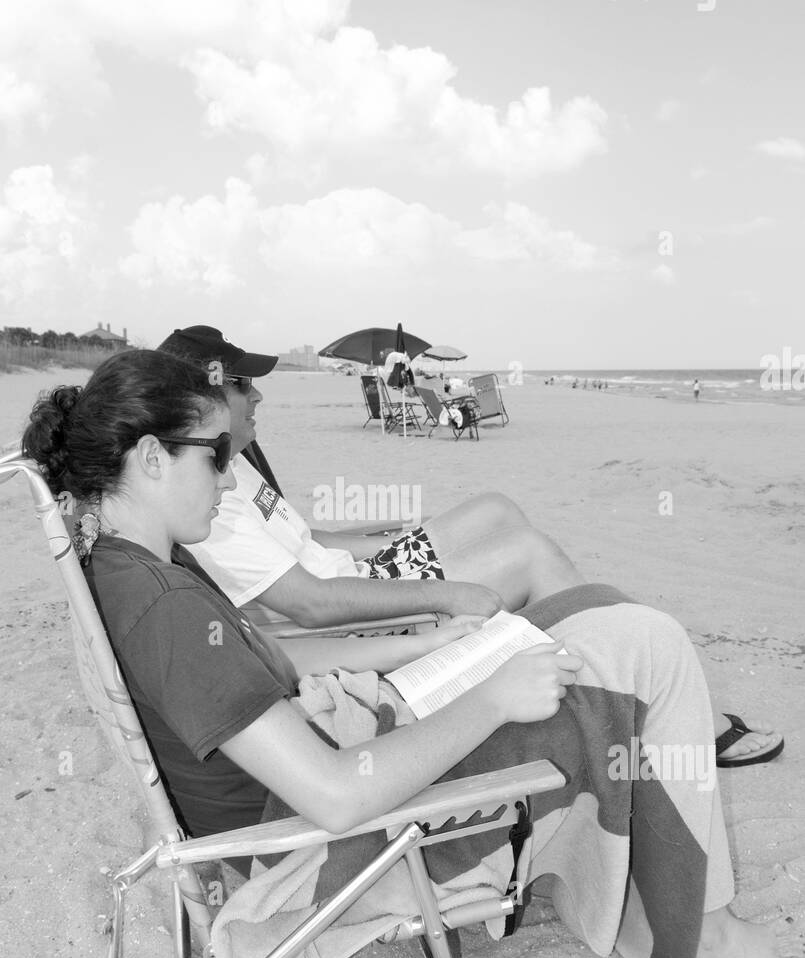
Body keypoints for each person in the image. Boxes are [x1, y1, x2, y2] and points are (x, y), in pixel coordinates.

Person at [20, 349, 803, 958]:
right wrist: (492, 698)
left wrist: (422, 644)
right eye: (215, 456)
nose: (230, 477)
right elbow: (331, 797)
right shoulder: (163, 605)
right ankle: (694, 936)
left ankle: (631, 895)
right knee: (647, 642)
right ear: (151, 458)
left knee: (581, 607)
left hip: (338, 741)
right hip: (318, 830)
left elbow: (274, 658)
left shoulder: (132, 568)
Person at [155, 326, 784, 770]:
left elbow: (304, 539)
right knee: (529, 552)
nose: (258, 396)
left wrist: (393, 532)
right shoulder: (209, 497)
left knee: (495, 509)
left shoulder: (231, 468)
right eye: (246, 387)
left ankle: (588, 666)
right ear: (206, 395)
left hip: (358, 573)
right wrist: (446, 591)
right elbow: (311, 607)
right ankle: (636, 708)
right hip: (353, 613)